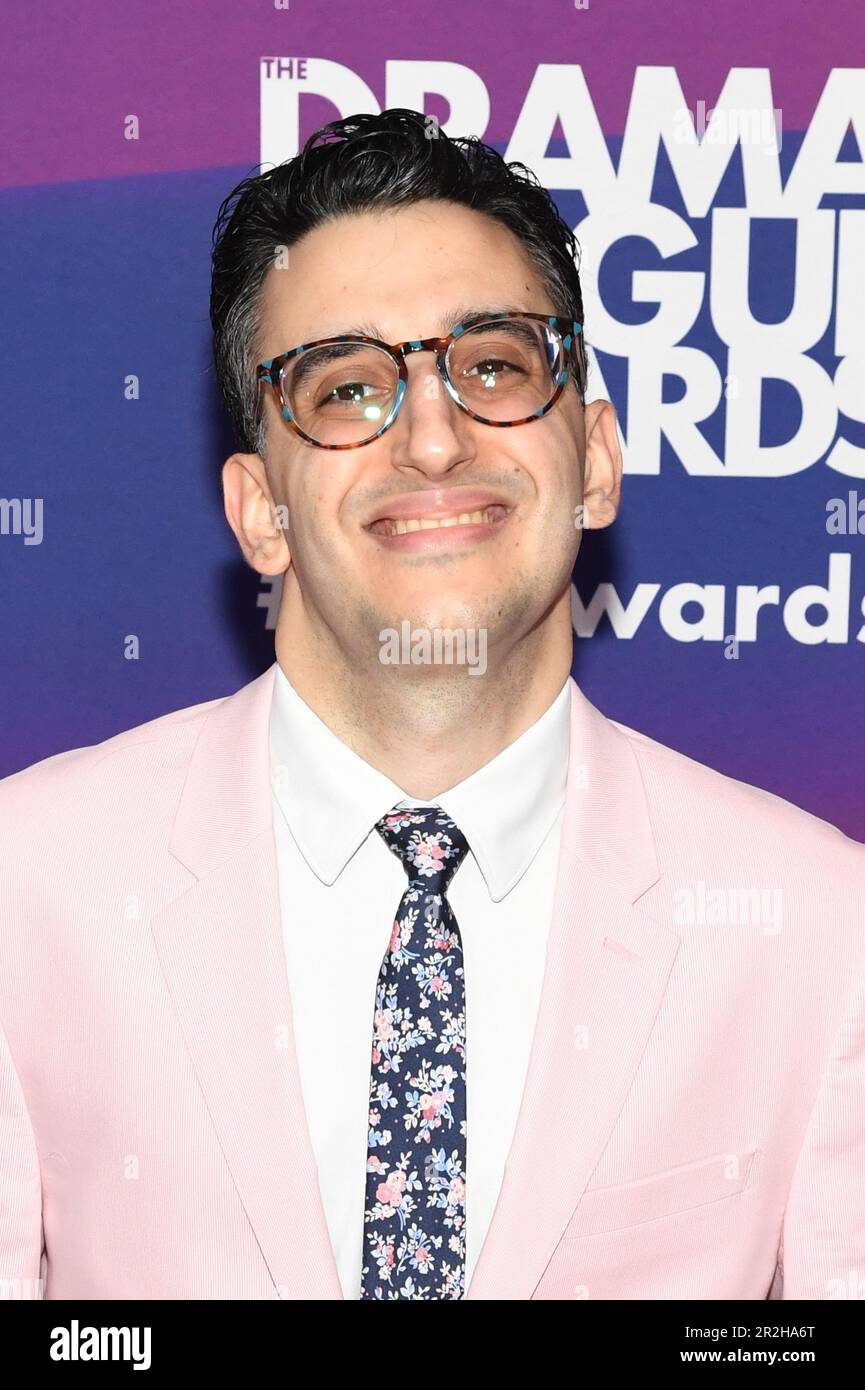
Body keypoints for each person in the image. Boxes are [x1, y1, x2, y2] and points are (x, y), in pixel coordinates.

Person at [1, 109, 863, 1303]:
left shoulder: (815, 926)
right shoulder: (29, 887)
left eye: (493, 365)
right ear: (260, 511)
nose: (434, 435)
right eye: (348, 388)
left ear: (597, 459)